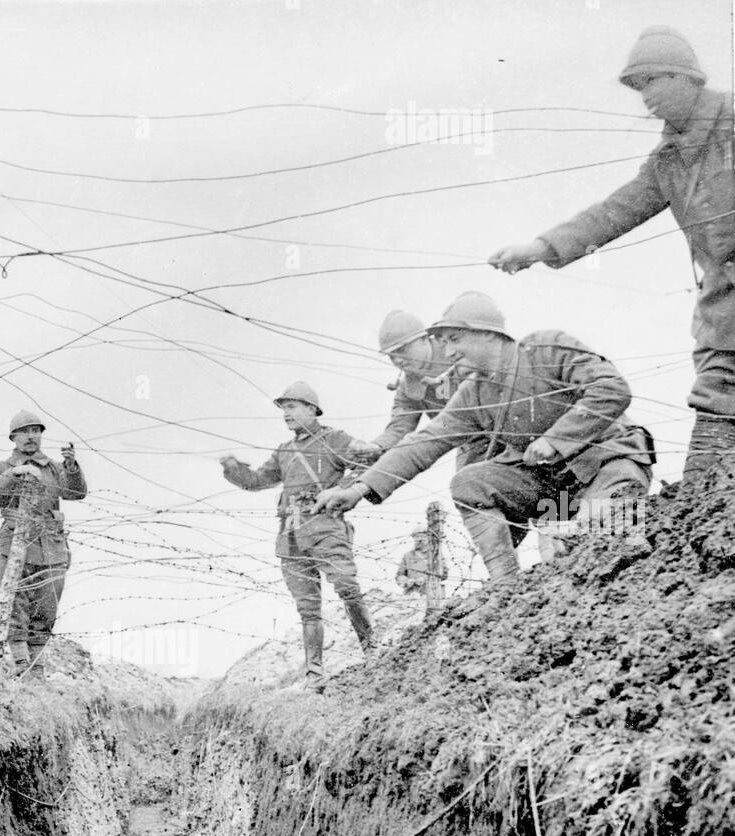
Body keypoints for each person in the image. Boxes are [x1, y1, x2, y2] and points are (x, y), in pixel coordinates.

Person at [488, 26, 735, 486]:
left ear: (686, 78)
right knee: (716, 398)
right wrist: (542, 248)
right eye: (638, 86)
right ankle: (705, 503)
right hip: (724, 311)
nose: (645, 96)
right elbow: (616, 211)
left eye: (653, 81)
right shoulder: (668, 159)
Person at [313, 293, 654, 584]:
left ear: (487, 334)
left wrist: (555, 440)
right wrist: (359, 488)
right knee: (470, 481)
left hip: (608, 464)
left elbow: (611, 389)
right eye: (443, 342)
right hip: (556, 495)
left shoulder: (548, 350)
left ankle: (587, 534)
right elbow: (426, 440)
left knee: (604, 536)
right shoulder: (474, 391)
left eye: (454, 340)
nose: (446, 353)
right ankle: (506, 588)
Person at [220, 381, 375, 691]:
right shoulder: (284, 451)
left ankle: (372, 651)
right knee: (307, 608)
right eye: (283, 409)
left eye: (291, 407)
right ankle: (314, 675)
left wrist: (341, 491)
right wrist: (232, 467)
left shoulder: (336, 440)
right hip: (291, 536)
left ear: (311, 408)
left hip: (327, 528)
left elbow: (369, 465)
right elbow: (257, 481)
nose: (285, 415)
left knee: (347, 586)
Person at [0, 409, 87, 678]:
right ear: (13, 437)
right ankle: (19, 667)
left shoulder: (53, 467)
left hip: (50, 547)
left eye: (36, 431)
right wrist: (16, 473)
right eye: (25, 432)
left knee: (46, 607)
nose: (31, 437)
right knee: (15, 605)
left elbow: (75, 493)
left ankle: (36, 672)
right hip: (12, 545)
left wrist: (72, 467)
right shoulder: (0, 467)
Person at [348, 311, 469, 466]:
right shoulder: (407, 388)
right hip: (472, 443)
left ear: (424, 339)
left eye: (402, 350)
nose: (398, 360)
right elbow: (400, 427)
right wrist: (377, 447)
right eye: (392, 355)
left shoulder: (458, 353)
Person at [396, 528, 447, 594]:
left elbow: (444, 573)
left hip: (433, 593)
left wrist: (425, 578)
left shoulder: (435, 554)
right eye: (417, 536)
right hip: (412, 594)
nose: (420, 539)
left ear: (429, 538)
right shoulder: (407, 556)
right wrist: (407, 581)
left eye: (423, 536)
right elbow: (399, 575)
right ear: (413, 538)